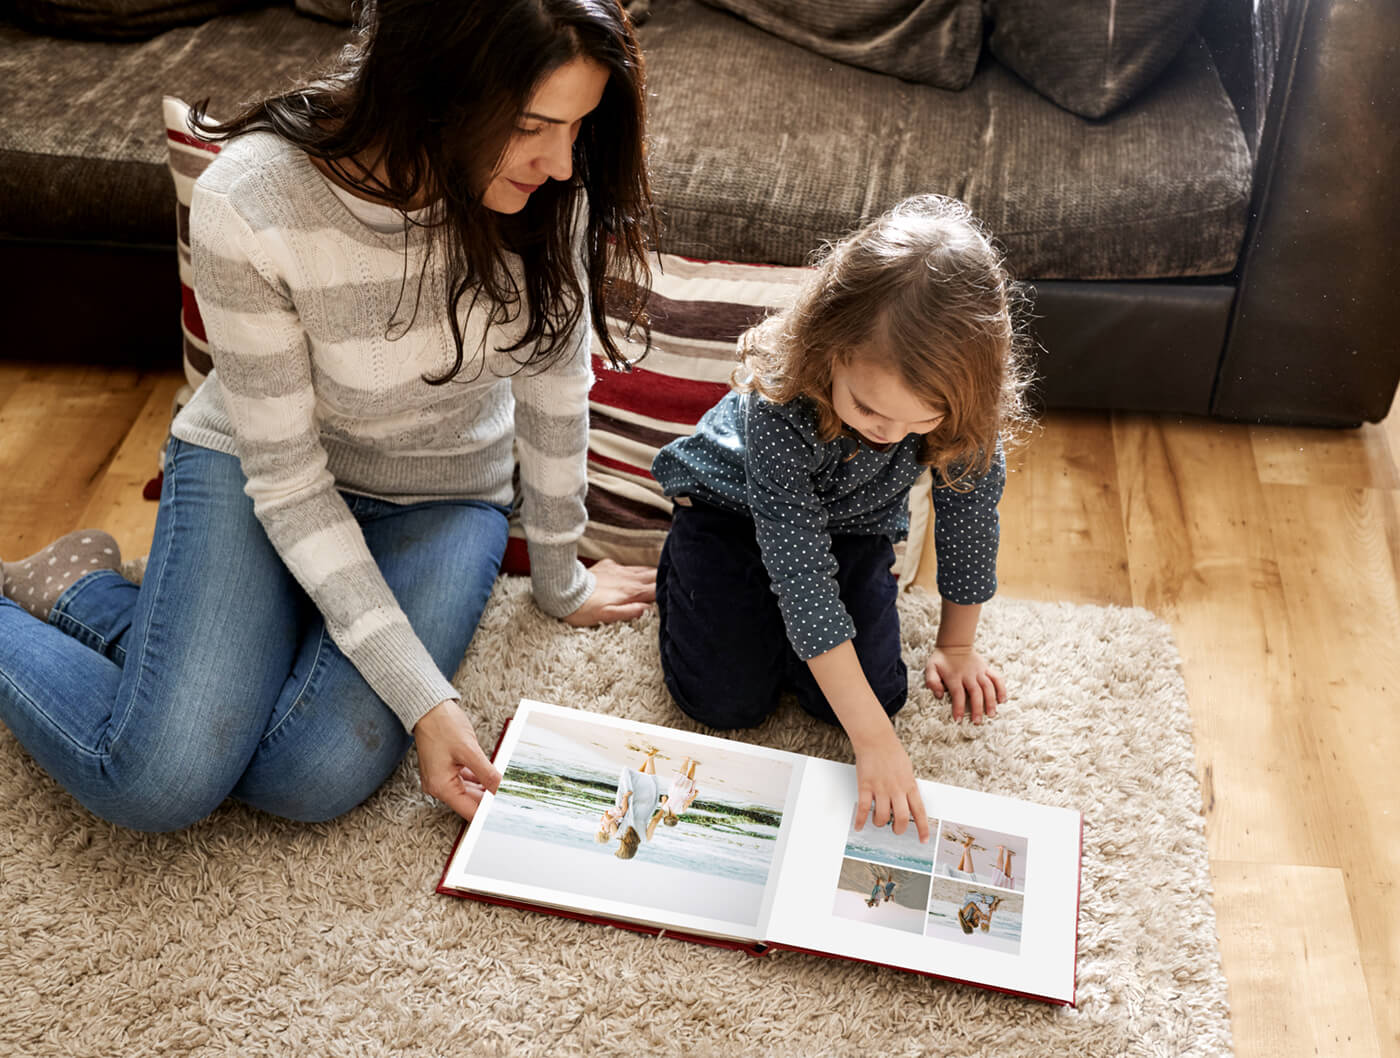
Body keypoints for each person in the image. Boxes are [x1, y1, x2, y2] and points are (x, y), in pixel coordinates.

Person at [0, 0, 657, 832]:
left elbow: (554, 395)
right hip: (263, 471)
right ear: (432, 88)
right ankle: (80, 602)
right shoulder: (253, 197)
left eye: (577, 127)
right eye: (533, 125)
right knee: (157, 782)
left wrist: (562, 580)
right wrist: (424, 702)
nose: (562, 164)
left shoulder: (547, 196)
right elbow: (288, 479)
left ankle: (103, 602)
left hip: (443, 495)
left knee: (307, 775)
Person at [651, 195, 1031, 842]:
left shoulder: (963, 412)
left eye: (918, 424)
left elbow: (969, 523)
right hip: (732, 512)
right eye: (872, 411)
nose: (893, 436)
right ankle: (680, 568)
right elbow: (801, 578)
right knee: (722, 702)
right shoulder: (780, 404)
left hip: (853, 526)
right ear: (828, 347)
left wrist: (956, 645)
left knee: (871, 697)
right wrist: (876, 745)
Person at [596, 749, 663, 859]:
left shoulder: (645, 839)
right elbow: (609, 818)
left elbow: (655, 821)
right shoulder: (617, 835)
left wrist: (663, 809)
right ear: (622, 848)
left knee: (650, 783)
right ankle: (649, 757)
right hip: (628, 806)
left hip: (644, 810)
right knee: (634, 782)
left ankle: (650, 758)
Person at [657, 755, 699, 826]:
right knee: (681, 774)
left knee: (690, 778)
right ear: (665, 817)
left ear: (676, 819)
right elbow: (664, 797)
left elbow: (688, 802)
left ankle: (694, 764)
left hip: (684, 793)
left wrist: (695, 794)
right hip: (674, 790)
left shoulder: (681, 811)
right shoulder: (664, 807)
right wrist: (665, 800)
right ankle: (687, 760)